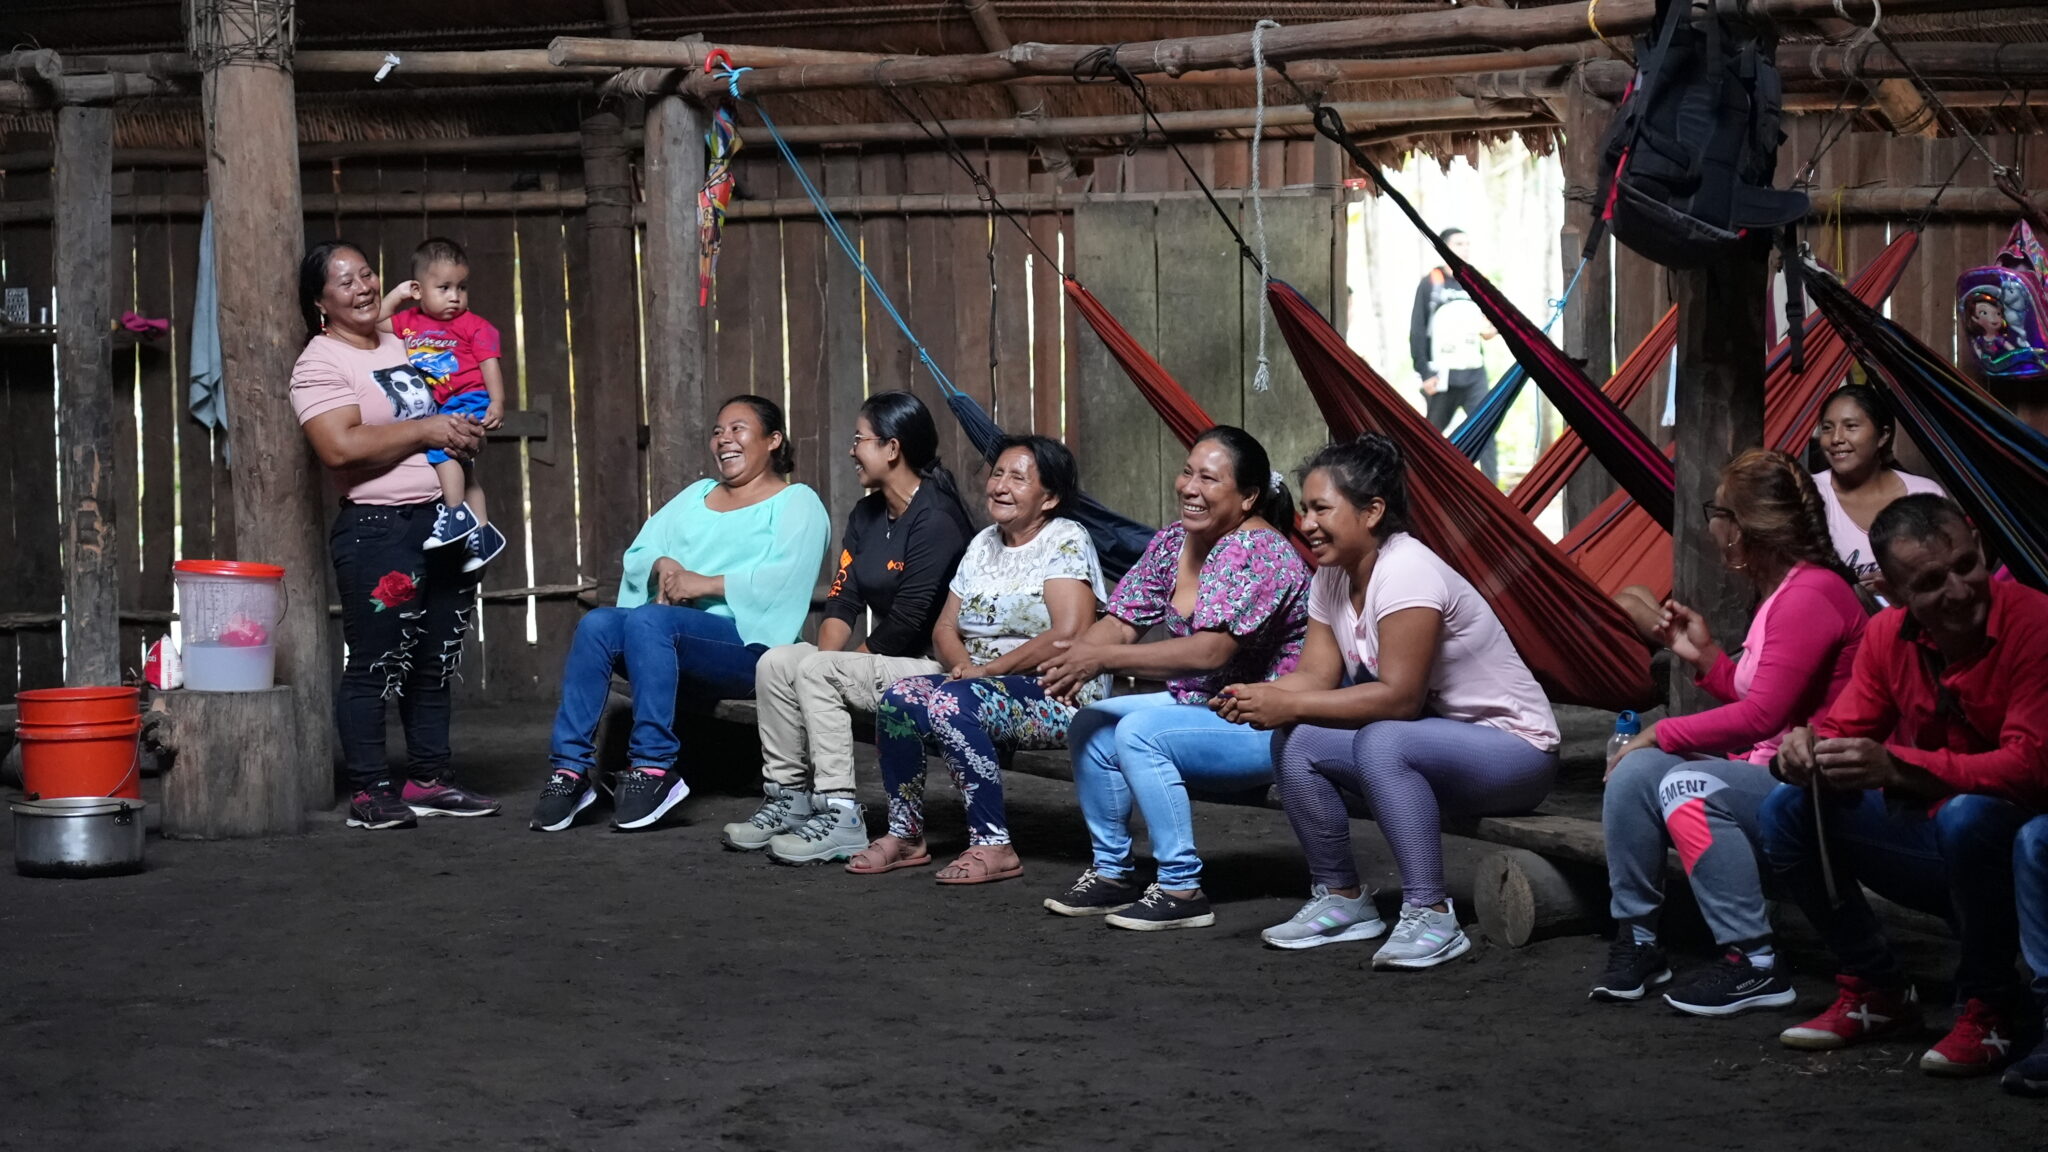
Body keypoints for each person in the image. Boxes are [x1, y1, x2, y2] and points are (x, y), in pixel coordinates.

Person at [1227, 434, 1559, 968]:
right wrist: (1258, 696)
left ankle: (1432, 914)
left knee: (1383, 739)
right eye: (1304, 509)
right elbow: (1314, 674)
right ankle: (1341, 899)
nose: (1306, 522)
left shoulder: (1407, 571)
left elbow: (1400, 700)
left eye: (1321, 509)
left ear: (1372, 511)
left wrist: (1289, 702)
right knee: (1299, 739)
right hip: (1437, 747)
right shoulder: (1332, 577)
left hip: (1515, 754)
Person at [1760, 495, 2048, 1079]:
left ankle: (1990, 1006)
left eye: (1966, 565)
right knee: (1788, 807)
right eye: (1932, 581)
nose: (1961, 590)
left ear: (1981, 547)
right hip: (1940, 848)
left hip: (2019, 852)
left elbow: (2029, 770)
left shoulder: (2035, 622)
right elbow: (1841, 729)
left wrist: (1899, 769)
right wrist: (1803, 749)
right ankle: (1876, 990)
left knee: (1969, 816)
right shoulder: (1888, 634)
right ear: (1895, 592)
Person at [1595, 450, 1867, 1013]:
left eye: (1718, 512)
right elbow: (1765, 695)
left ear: (1741, 529)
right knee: (1634, 772)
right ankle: (1640, 941)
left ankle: (1756, 961)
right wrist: (1706, 659)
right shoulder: (1787, 592)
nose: (1713, 526)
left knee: (1683, 787)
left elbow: (1763, 718)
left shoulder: (1811, 595)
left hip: (1819, 787)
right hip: (1771, 769)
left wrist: (1662, 731)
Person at [1036, 426, 1310, 931]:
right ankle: (1113, 874)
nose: (1190, 487)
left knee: (1139, 733)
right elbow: (1121, 623)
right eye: (1188, 471)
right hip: (1204, 709)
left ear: (1248, 497)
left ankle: (1182, 888)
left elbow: (1210, 652)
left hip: (1268, 720)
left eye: (1209, 478)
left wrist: (1101, 663)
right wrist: (1071, 657)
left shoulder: (1257, 553)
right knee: (1092, 725)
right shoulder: (1174, 542)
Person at [531, 395, 829, 833]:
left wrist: (703, 584)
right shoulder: (697, 496)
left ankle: (653, 768)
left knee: (652, 621)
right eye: (718, 430)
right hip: (672, 636)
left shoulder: (797, 502)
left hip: (751, 648)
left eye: (739, 429)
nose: (724, 439)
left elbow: (785, 579)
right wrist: (663, 567)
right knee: (597, 624)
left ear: (773, 440)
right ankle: (571, 772)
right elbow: (644, 548)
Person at [290, 238, 497, 831]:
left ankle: (429, 779)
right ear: (320, 301)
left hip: (441, 521)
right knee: (378, 662)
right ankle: (370, 791)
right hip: (380, 530)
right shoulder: (321, 361)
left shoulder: (400, 340)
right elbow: (338, 447)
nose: (362, 286)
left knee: (436, 660)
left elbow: (446, 402)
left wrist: (461, 430)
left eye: (367, 274)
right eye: (345, 280)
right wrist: (428, 428)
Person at [723, 390, 974, 866]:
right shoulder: (866, 513)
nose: (852, 449)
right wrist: (821, 659)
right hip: (879, 659)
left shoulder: (936, 519)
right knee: (777, 662)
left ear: (892, 449)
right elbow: (843, 597)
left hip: (931, 665)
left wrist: (829, 668)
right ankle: (788, 799)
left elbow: (909, 623)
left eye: (860, 440)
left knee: (820, 671)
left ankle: (839, 814)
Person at [853, 435, 1107, 884]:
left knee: (955, 704)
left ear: (1049, 498)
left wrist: (986, 673)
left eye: (1018, 478)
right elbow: (945, 628)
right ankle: (906, 833)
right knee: (898, 699)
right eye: (997, 474)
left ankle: (994, 843)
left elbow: (1069, 633)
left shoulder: (1065, 539)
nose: (1001, 486)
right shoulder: (984, 543)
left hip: (1056, 689)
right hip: (979, 685)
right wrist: (965, 670)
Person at [377, 237, 508, 571]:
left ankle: (454, 515)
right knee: (466, 471)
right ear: (419, 291)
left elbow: (488, 363)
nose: (455, 296)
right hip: (442, 404)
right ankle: (482, 531)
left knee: (443, 449)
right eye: (444, 287)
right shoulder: (409, 320)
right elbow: (377, 323)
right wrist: (395, 296)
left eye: (461, 287)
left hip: (468, 398)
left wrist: (497, 401)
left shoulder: (473, 325)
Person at [1811, 383, 1944, 601]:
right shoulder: (1810, 494)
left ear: (1882, 436)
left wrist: (1897, 581)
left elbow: (1946, 567)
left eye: (1851, 426)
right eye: (1827, 428)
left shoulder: (1923, 494)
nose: (1836, 438)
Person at [1408, 226, 1498, 482]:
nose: (1465, 249)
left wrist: (1492, 330)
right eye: (1459, 244)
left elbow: (1489, 326)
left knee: (1486, 431)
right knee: (1431, 437)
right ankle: (1420, 486)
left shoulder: (1476, 282)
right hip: (1442, 376)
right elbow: (1417, 330)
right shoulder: (1431, 283)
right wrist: (1424, 372)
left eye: (1468, 244)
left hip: (1474, 374)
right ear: (1445, 248)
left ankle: (1497, 495)